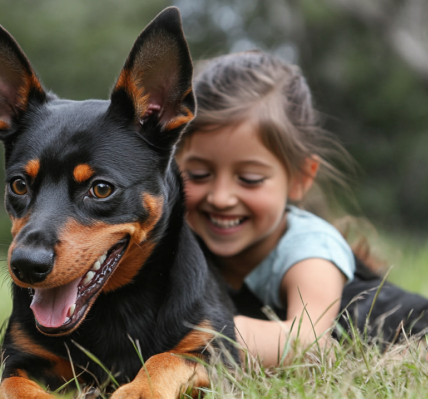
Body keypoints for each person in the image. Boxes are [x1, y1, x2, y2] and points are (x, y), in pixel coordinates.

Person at [175, 51, 428, 366]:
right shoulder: (181, 241)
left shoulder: (310, 248)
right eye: (198, 175)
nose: (221, 197)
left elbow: (308, 344)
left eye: (250, 179)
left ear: (299, 179)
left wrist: (179, 332)